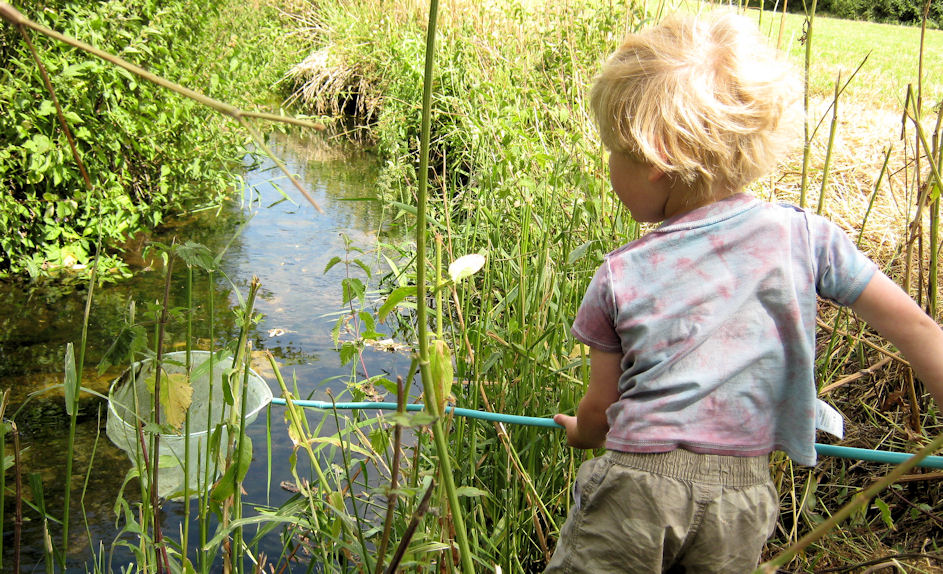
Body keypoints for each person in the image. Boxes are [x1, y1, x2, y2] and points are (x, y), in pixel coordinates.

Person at [546, 10, 943, 574]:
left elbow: (602, 410)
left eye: (615, 151)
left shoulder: (619, 273)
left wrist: (580, 433)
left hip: (638, 486)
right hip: (744, 496)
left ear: (656, 156)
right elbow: (918, 329)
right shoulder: (807, 238)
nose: (610, 167)